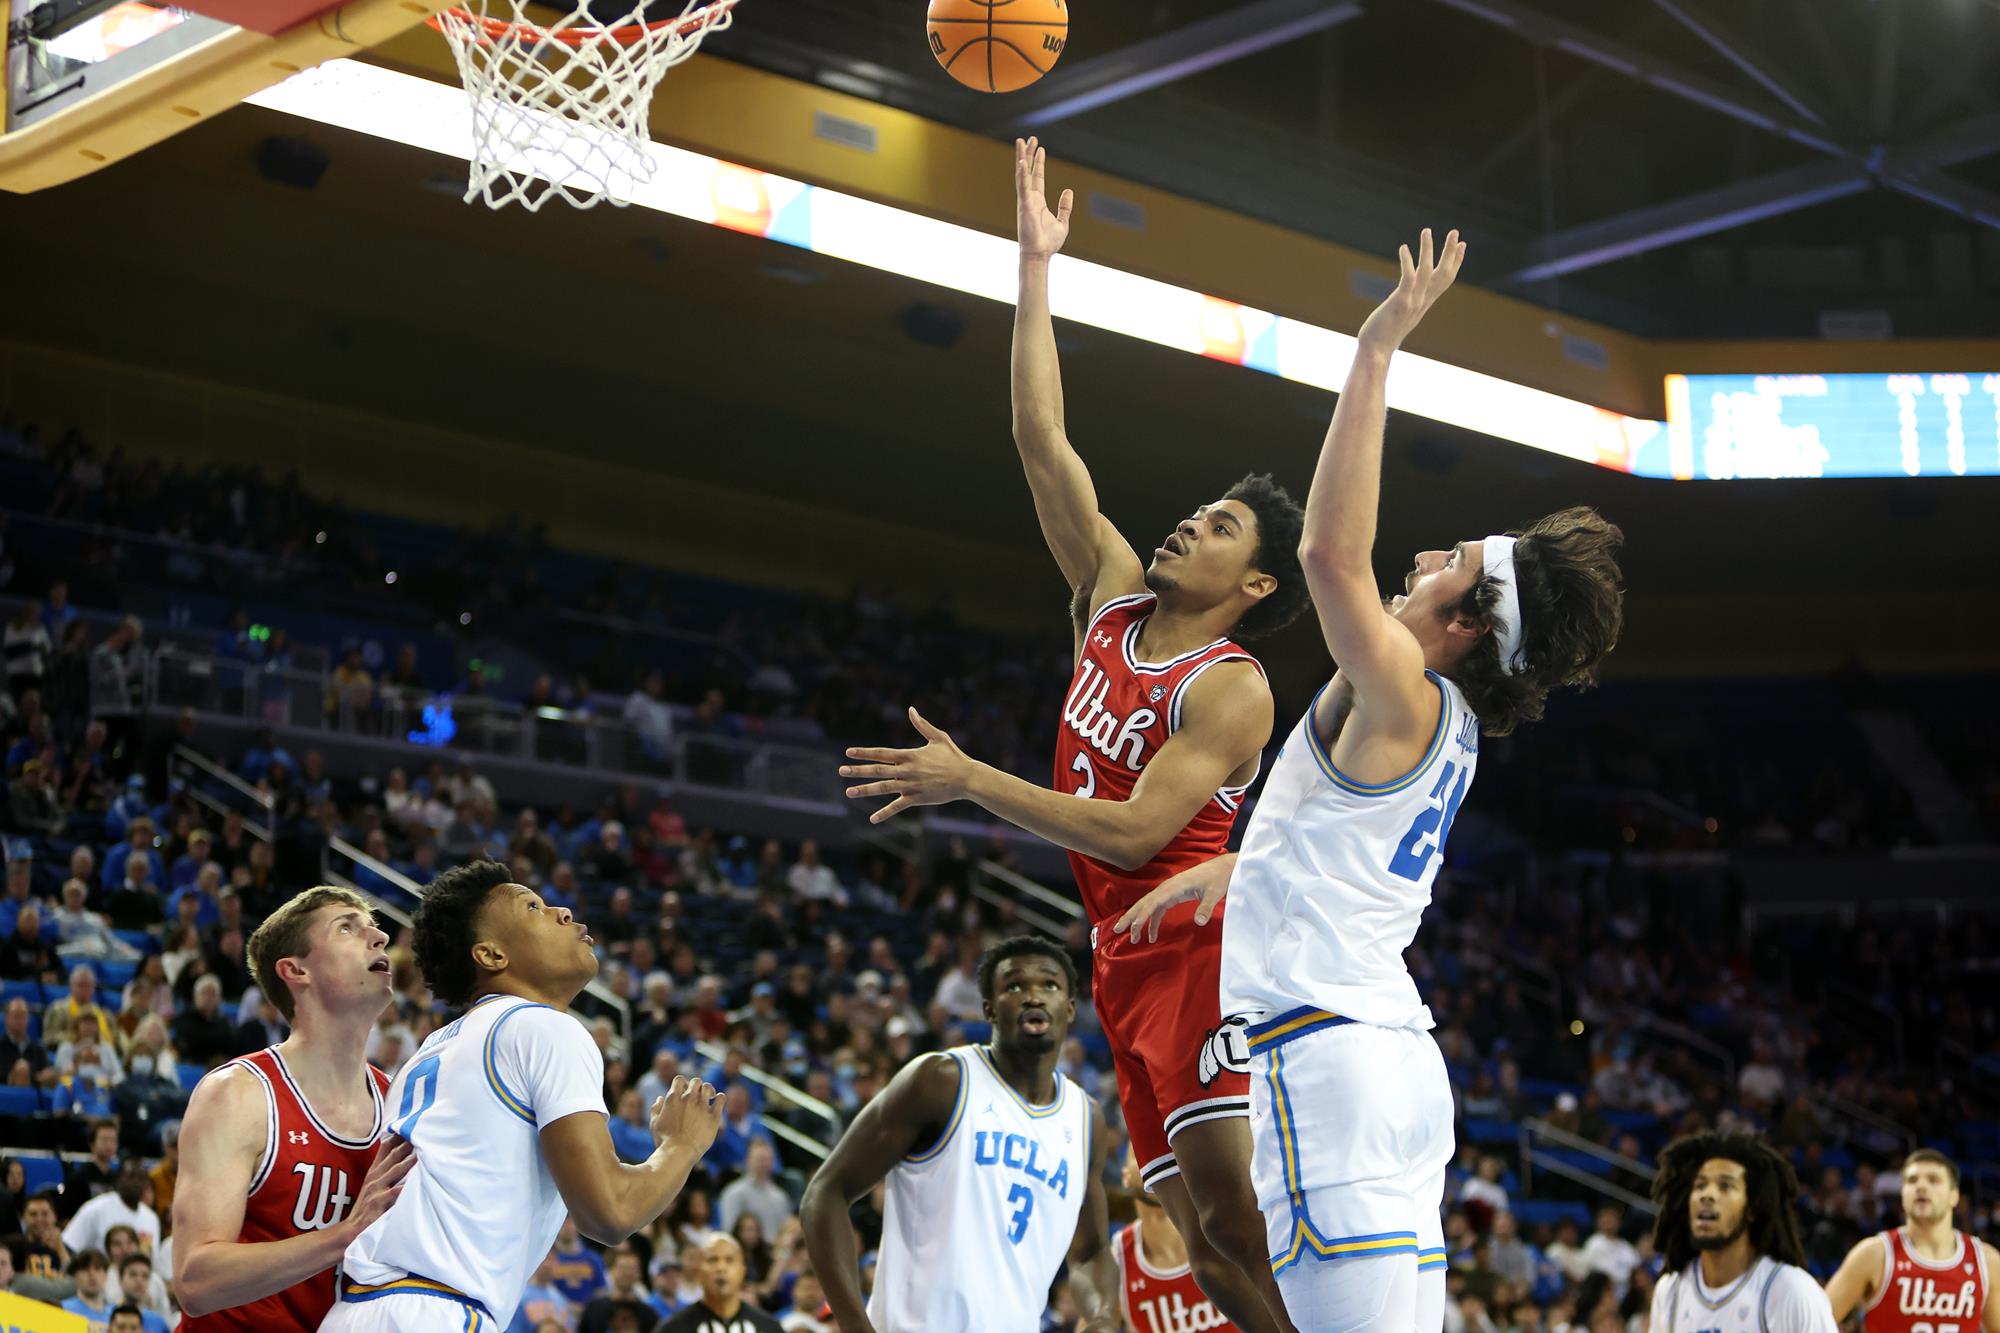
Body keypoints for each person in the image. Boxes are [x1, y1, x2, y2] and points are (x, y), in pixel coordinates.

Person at [834, 140, 1310, 1333]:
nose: (1189, 522)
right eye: (1199, 508)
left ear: (1251, 585)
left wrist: (965, 778)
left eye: (1218, 528)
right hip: (1114, 951)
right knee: (1195, 1247)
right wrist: (1034, 268)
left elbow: (1140, 826)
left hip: (1194, 947)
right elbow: (1041, 443)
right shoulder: (1109, 594)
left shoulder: (1229, 684)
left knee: (1230, 1223)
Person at [1118, 230, 1626, 1333]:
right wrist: (1234, 877)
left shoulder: (1405, 692)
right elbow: (1329, 859)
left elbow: (1325, 559)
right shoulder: (1436, 731)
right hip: (1391, 1068)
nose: (1418, 558)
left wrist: (1377, 343)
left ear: (1464, 622)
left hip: (1327, 1062)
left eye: (1443, 561)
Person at [324, 859, 723, 1332]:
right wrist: (683, 1144)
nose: (563, 911)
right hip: (439, 1309)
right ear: (491, 955)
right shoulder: (542, 1028)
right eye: (533, 907)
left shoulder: (429, 1052)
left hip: (354, 1311)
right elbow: (611, 1213)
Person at [801, 936, 1117, 1333]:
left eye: (1050, 984)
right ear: (989, 1008)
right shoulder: (941, 1081)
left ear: (1070, 1008)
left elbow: (1091, 1251)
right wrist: (855, 1326)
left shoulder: (1084, 1117)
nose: (1033, 995)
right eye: (1014, 985)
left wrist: (1104, 1315)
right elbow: (825, 1193)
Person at [173, 887, 413, 1329]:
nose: (379, 937)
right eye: (347, 927)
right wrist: (344, 1235)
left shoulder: (401, 1103)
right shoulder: (239, 1094)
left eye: (373, 927)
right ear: (295, 970)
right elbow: (195, 1282)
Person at [1647, 1132, 1836, 1332]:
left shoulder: (1791, 1291)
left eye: (1725, 1186)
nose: (1707, 1195)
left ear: (1752, 1208)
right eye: (1700, 1185)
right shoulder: (1670, 1290)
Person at [1824, 1148, 1996, 1331]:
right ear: (1903, 1194)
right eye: (1912, 1180)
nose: (1921, 1187)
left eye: (1933, 1180)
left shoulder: (1987, 1261)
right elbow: (1813, 1322)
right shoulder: (1873, 1255)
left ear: (1954, 1196)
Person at [1114, 1150, 1239, 1333]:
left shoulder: (1221, 1225)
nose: (1156, 1162)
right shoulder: (1118, 1257)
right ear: (1125, 1176)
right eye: (1139, 1154)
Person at [660, 1236, 784, 1333]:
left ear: (742, 1271)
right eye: (712, 1260)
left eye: (729, 1260)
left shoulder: (768, 1327)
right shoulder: (673, 1328)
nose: (721, 1268)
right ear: (698, 1272)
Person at [62, 1160, 161, 1256]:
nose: (137, 1183)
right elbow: (69, 1244)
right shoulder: (97, 1208)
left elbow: (153, 1261)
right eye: (131, 1177)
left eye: (141, 1178)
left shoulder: (152, 1218)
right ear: (120, 1178)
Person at [62, 1247, 116, 1324]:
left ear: (106, 1275)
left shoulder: (117, 1314)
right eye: (85, 1269)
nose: (92, 1275)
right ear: (74, 1276)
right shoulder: (62, 1310)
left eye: (97, 1269)